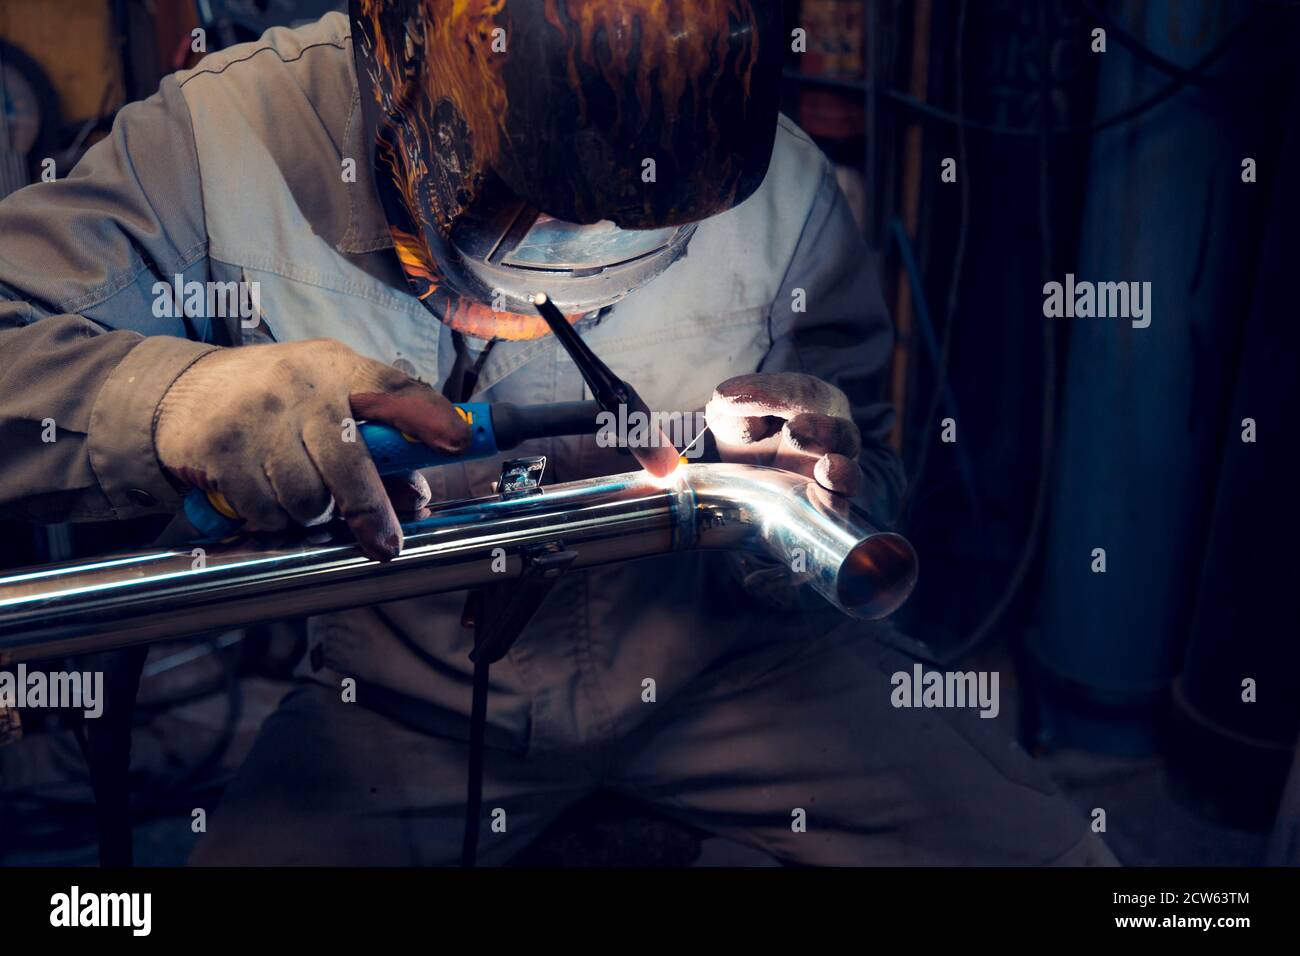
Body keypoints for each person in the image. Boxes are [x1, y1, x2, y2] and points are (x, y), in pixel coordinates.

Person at [0, 2, 1113, 865]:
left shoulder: (785, 185)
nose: (557, 304)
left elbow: (871, 460)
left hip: (736, 666)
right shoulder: (223, 141)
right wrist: (174, 400)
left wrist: (835, 471)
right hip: (403, 701)